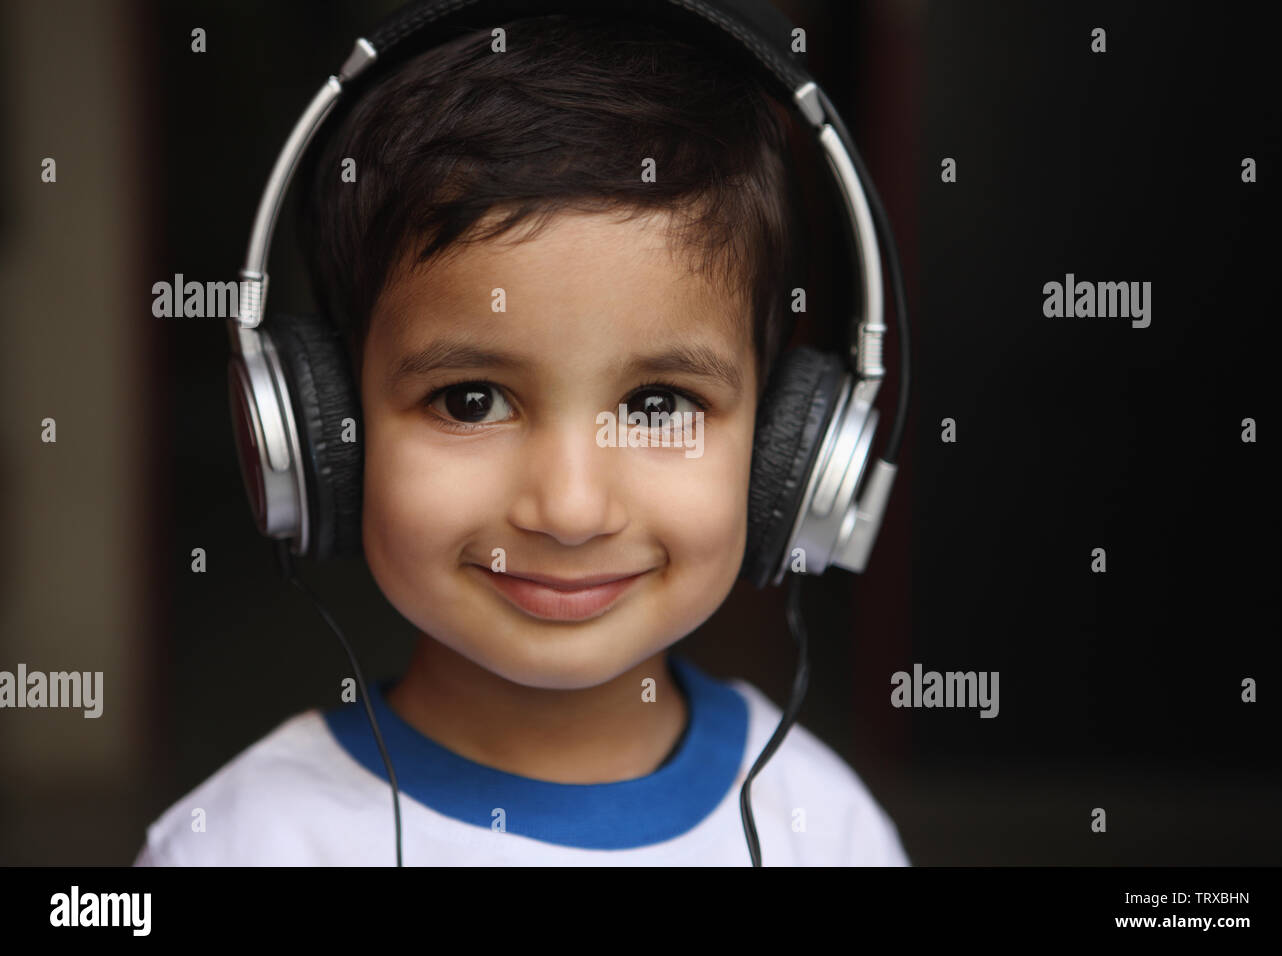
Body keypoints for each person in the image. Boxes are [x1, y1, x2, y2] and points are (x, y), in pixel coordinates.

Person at [135, 10, 908, 866]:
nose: (570, 509)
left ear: (787, 454)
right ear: (327, 437)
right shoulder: (243, 845)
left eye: (657, 405)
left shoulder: (827, 828)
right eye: (470, 400)